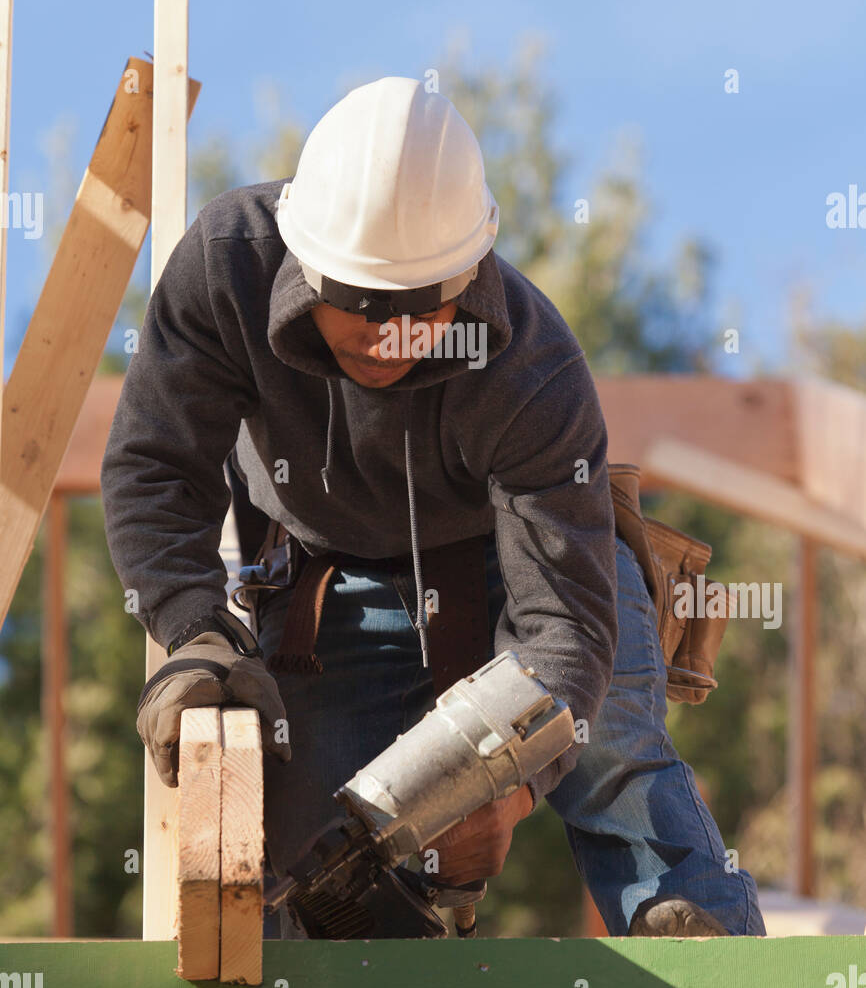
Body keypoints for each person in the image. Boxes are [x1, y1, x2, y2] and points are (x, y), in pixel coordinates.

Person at [101, 75, 765, 938]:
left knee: (611, 759)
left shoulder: (534, 367)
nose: (391, 340)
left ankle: (714, 984)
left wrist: (513, 787)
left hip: (517, 574)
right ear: (307, 268)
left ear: (469, 274)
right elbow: (155, 468)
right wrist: (195, 632)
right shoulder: (228, 267)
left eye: (419, 311)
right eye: (364, 309)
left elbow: (565, 634)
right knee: (323, 871)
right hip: (332, 586)